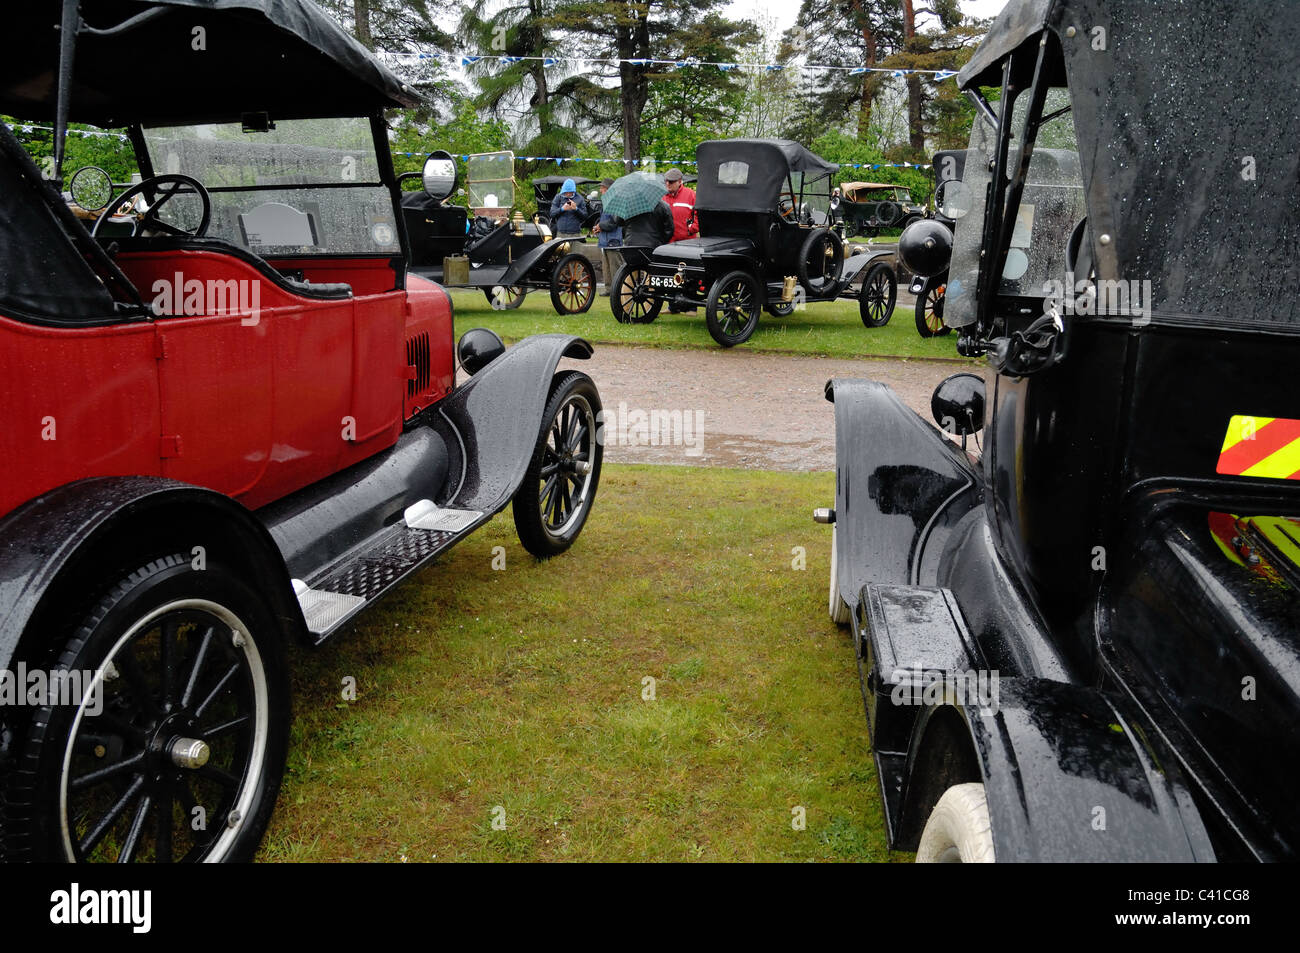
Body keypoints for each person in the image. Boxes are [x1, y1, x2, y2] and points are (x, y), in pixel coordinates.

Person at [592, 178, 623, 296]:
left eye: (603, 188)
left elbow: (614, 222)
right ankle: (609, 289)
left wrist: (601, 226)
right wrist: (597, 227)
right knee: (606, 267)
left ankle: (618, 290)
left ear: (610, 189)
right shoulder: (606, 201)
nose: (600, 190)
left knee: (615, 267)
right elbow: (605, 220)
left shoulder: (616, 201)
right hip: (605, 239)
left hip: (613, 239)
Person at [664, 168, 698, 242]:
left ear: (679, 182)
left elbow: (699, 215)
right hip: (666, 242)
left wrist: (690, 230)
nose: (667, 184)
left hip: (687, 242)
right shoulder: (662, 196)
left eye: (670, 182)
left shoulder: (691, 194)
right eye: (666, 181)